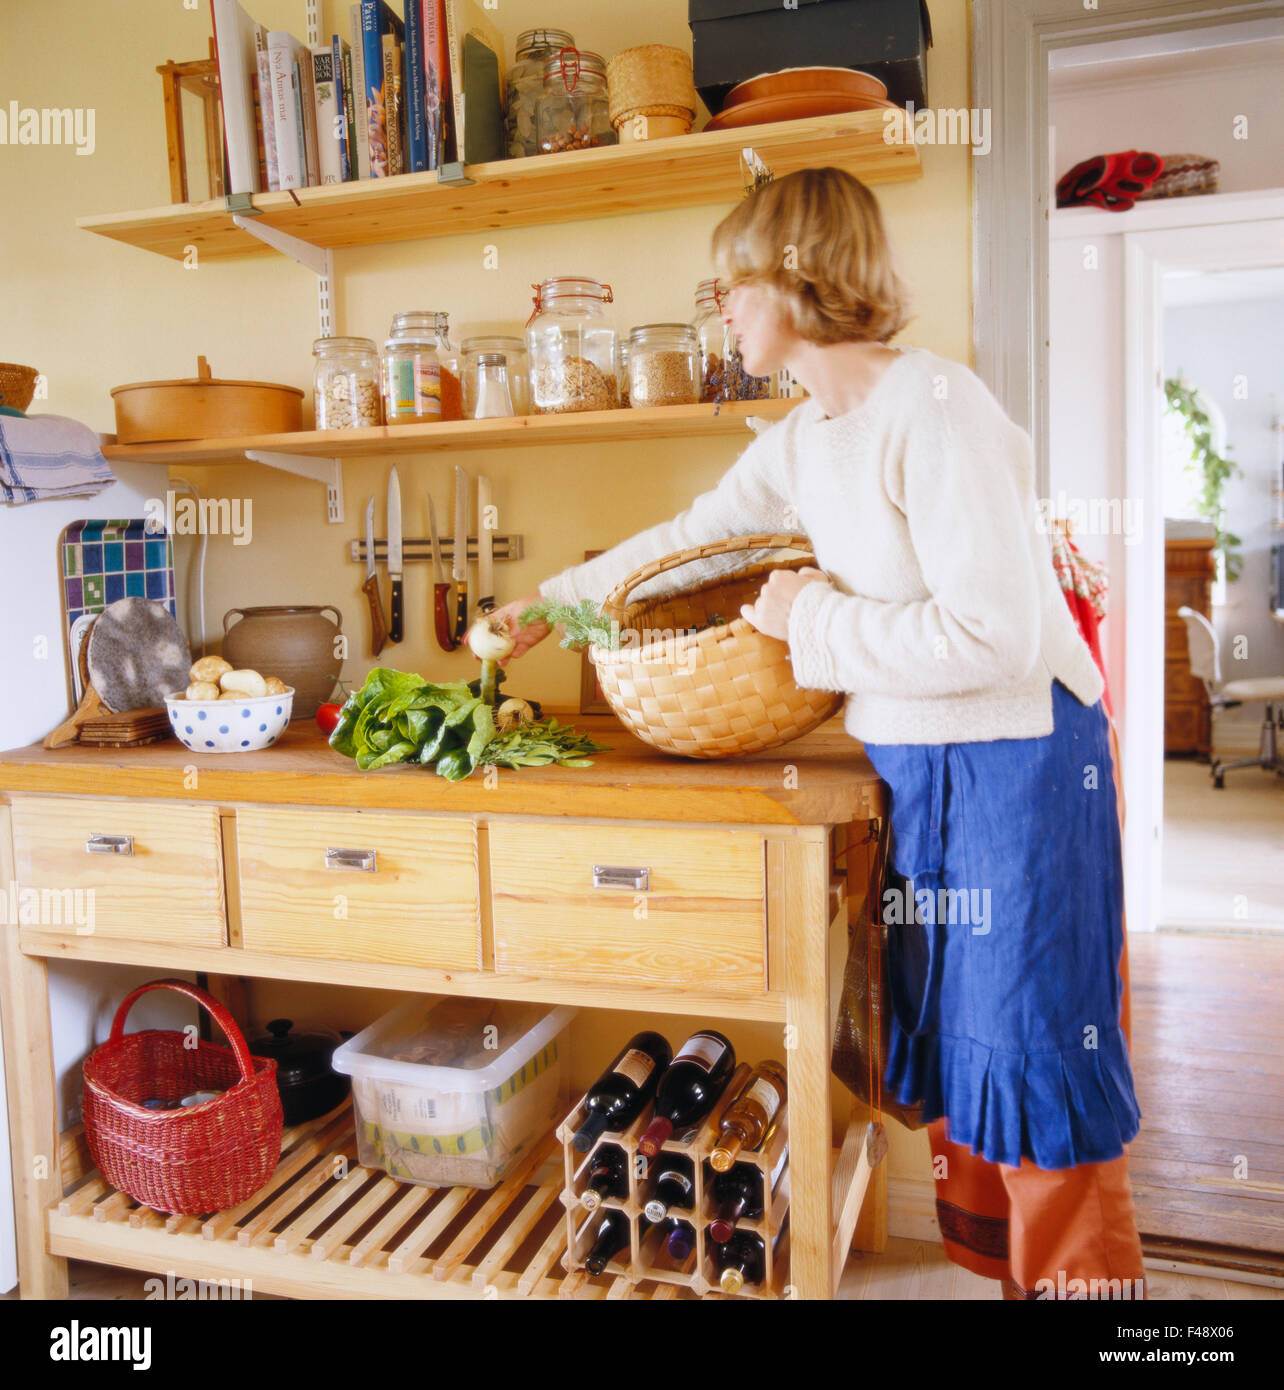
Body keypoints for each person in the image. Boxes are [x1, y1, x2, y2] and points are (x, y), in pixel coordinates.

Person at [487, 166, 1147, 1300]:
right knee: (960, 1044)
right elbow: (686, 538)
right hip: (921, 770)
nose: (723, 310)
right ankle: (1013, 1282)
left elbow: (991, 633)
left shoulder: (936, 408)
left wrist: (815, 620)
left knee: (1035, 1044)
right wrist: (549, 603)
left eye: (731, 284)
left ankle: (1092, 1294)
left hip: (1022, 762)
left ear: (798, 277)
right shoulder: (803, 440)